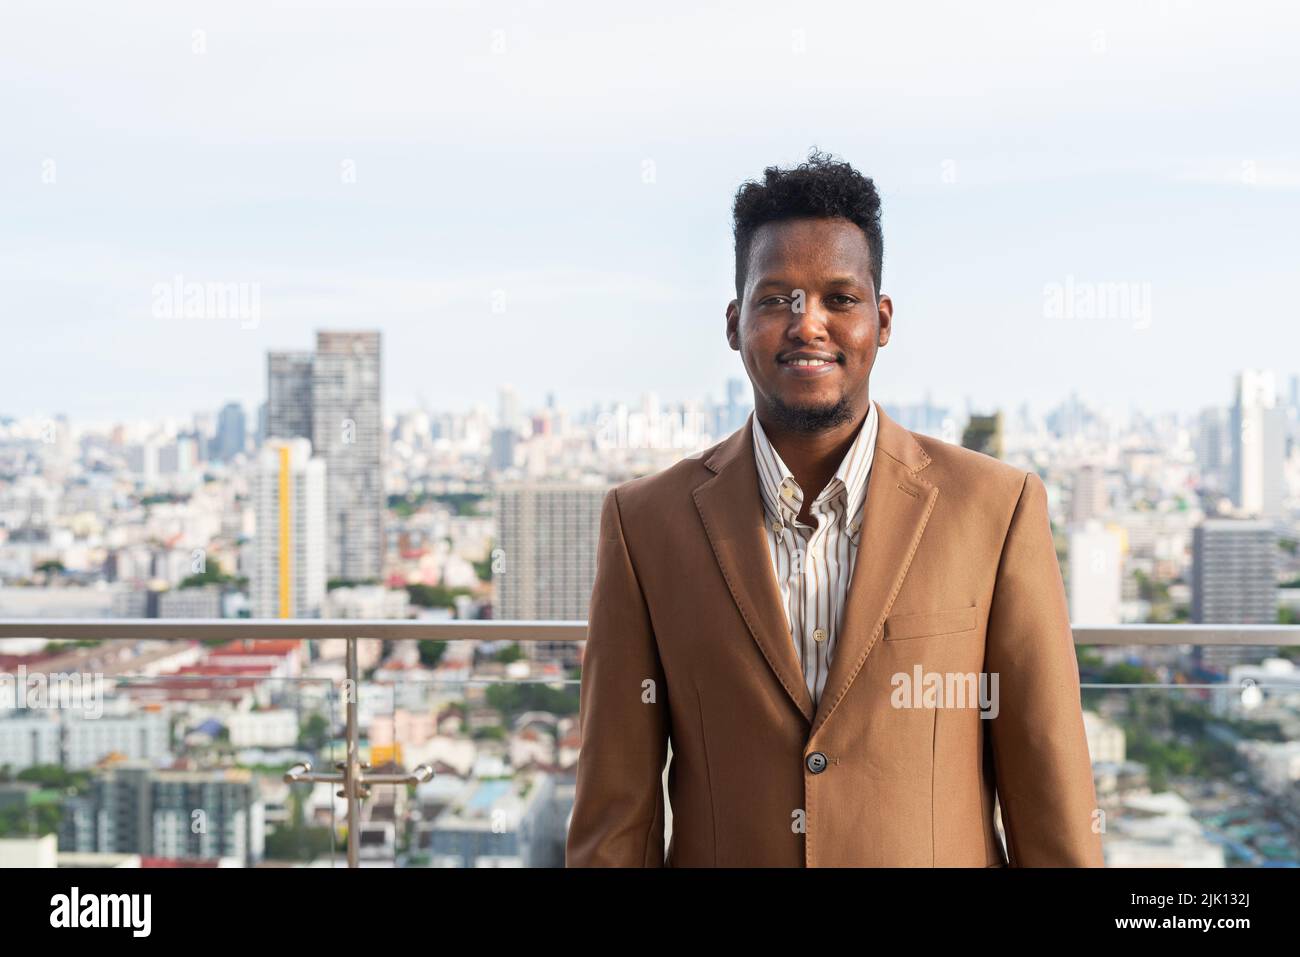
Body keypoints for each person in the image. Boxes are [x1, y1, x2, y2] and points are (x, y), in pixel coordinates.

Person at [565, 149, 1103, 867]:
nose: (806, 323)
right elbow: (614, 822)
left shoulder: (996, 509)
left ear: (881, 320)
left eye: (839, 299)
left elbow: (1052, 802)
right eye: (775, 298)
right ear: (734, 323)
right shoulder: (644, 525)